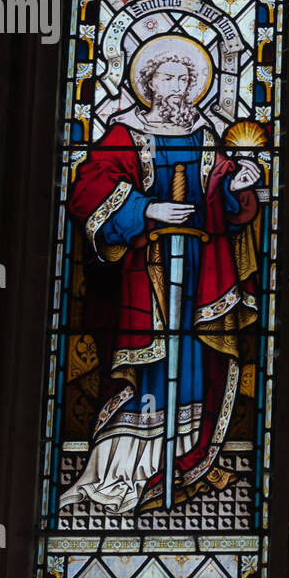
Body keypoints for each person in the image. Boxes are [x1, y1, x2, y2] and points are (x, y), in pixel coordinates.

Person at [59, 37, 262, 514]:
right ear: (147, 84)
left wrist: (237, 183)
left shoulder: (206, 133)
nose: (179, 87)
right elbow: (87, 188)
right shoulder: (124, 133)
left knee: (194, 360)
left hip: (199, 268)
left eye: (186, 79)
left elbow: (225, 196)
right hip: (146, 268)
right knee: (146, 360)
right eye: (168, 78)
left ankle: (186, 459)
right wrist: (148, 208)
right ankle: (125, 468)